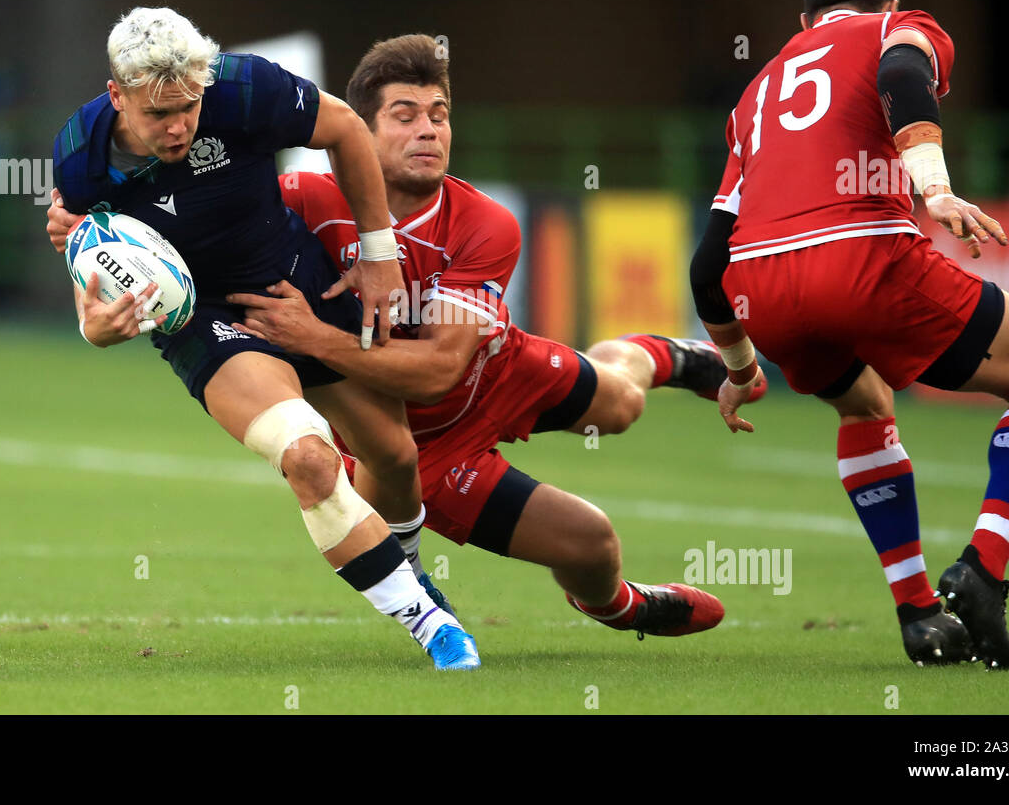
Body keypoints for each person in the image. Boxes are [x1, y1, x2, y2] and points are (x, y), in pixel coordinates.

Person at [223, 34, 747, 640]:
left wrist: (314, 337)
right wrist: (89, 219)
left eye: (439, 116)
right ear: (358, 133)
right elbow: (201, 220)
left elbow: (441, 370)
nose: (429, 131)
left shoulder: (484, 222)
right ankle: (620, 607)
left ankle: (668, 356)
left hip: (499, 370)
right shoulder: (302, 202)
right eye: (405, 116)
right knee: (592, 542)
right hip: (429, 453)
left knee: (623, 404)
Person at [689, 0, 1009, 668]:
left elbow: (708, 263)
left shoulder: (754, 95)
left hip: (763, 289)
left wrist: (740, 370)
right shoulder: (900, 27)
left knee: (866, 406)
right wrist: (933, 188)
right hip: (861, 255)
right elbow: (903, 72)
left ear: (804, 19)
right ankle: (985, 570)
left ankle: (918, 615)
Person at [47, 7, 478, 670]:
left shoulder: (242, 88)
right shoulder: (80, 157)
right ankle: (428, 622)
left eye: (189, 106)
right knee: (309, 458)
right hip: (201, 320)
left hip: (293, 280)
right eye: (158, 113)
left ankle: (409, 573)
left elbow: (345, 129)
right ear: (117, 96)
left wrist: (380, 252)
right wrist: (94, 326)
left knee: (392, 456)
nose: (178, 125)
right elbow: (91, 260)